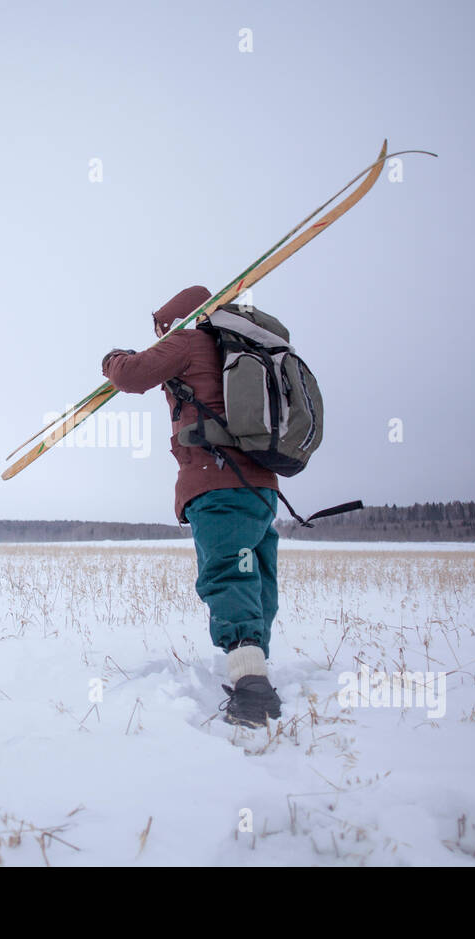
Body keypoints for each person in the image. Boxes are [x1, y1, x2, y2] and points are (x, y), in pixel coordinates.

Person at [101, 286, 283, 727]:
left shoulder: (188, 339)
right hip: (261, 486)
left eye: (162, 328)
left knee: (228, 574)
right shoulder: (238, 346)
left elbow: (132, 375)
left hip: (217, 484)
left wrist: (113, 358)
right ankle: (253, 670)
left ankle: (253, 692)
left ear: (175, 320)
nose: (161, 335)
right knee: (254, 577)